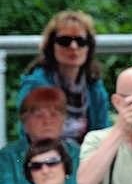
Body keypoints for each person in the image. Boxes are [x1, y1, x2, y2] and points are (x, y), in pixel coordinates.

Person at [0, 87, 93, 184]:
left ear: (64, 119)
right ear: (24, 121)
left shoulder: (78, 154)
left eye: (55, 113)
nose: (47, 120)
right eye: (38, 114)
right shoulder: (7, 158)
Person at [17, 10, 111, 144]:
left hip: (87, 159)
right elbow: (27, 138)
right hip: (45, 160)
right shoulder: (35, 84)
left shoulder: (94, 86)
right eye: (64, 41)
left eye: (81, 41)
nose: (73, 47)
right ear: (51, 46)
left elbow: (103, 134)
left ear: (89, 47)